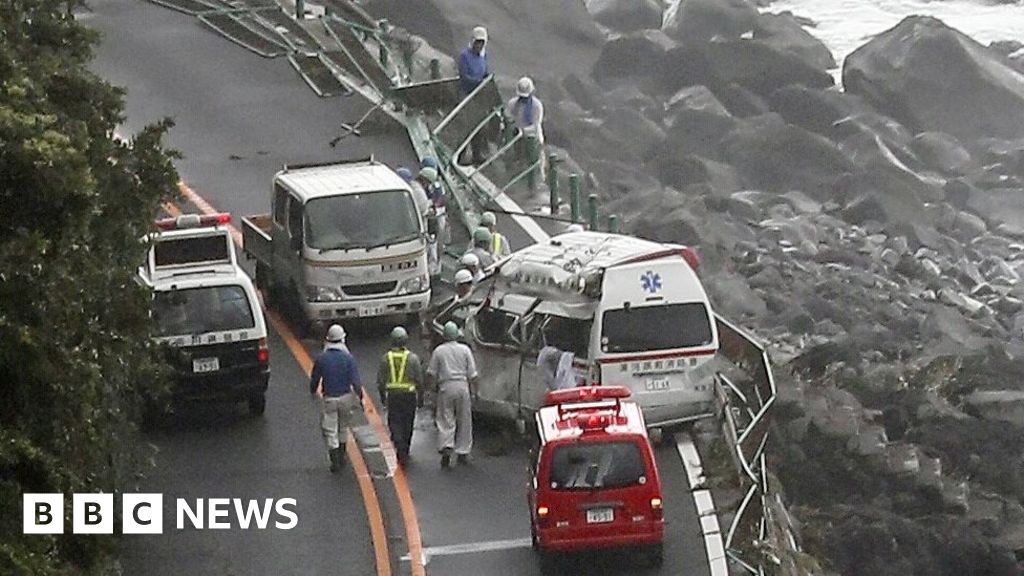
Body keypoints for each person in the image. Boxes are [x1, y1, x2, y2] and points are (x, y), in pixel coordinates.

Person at [309, 324, 363, 473]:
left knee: (330, 429)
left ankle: (335, 461)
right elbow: (356, 382)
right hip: (346, 397)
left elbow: (315, 378)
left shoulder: (322, 358)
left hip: (329, 398)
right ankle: (342, 455)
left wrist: (313, 391)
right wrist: (360, 397)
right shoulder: (348, 358)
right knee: (343, 427)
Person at [427, 321, 479, 467]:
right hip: (462, 386)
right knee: (464, 419)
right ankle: (463, 451)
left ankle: (446, 447)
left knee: (445, 418)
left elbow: (431, 373)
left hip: (445, 387)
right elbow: (473, 375)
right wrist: (475, 392)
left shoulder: (439, 351)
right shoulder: (465, 350)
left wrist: (431, 390)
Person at [376, 326, 423, 466]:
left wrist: (383, 397)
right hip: (409, 396)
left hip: (393, 396)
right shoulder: (413, 358)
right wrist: (421, 397)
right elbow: (419, 380)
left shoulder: (386, 358)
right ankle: (405, 448)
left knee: (395, 421)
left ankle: (398, 441)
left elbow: (380, 381)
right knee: (408, 423)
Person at [457, 26, 490, 165]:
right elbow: (464, 76)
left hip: (479, 97)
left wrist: (487, 79)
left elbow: (485, 72)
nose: (479, 45)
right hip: (467, 94)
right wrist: (478, 82)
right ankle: (460, 155)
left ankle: (477, 154)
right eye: (477, 42)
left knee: (479, 126)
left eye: (482, 42)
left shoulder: (483, 57)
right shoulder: (465, 56)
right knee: (466, 126)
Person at [507, 76, 546, 185]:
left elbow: (536, 124)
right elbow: (509, 118)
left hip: (533, 138)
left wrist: (523, 130)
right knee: (519, 162)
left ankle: (536, 185)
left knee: (535, 164)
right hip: (518, 138)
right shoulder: (512, 104)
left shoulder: (536, 106)